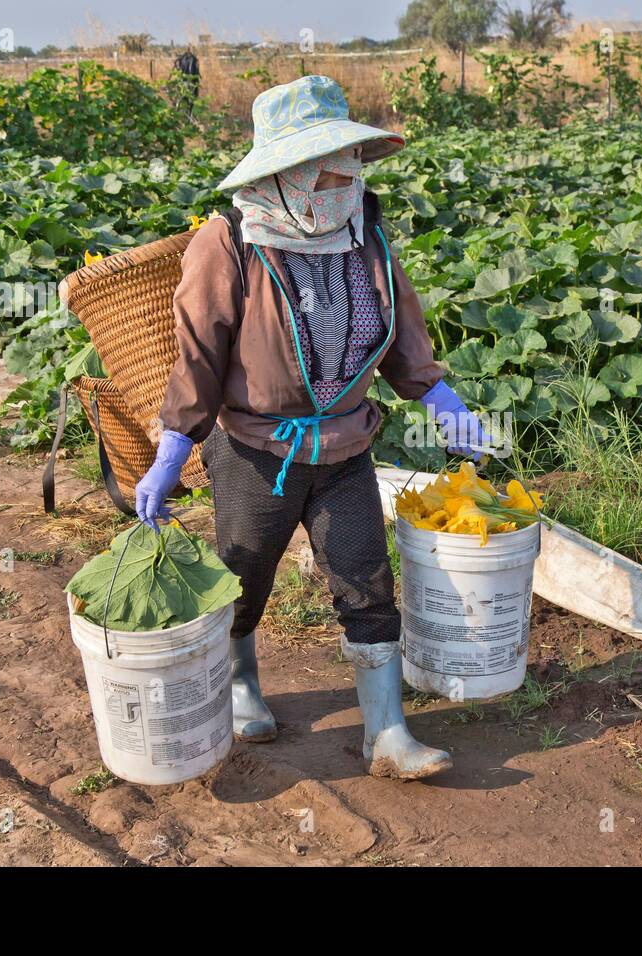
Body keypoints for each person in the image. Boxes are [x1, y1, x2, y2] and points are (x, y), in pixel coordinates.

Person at [136, 75, 489, 781]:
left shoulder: (366, 236)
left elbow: (400, 333)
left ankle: (386, 733)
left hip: (346, 444)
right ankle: (240, 685)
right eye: (322, 169)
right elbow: (200, 354)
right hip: (254, 451)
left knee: (365, 579)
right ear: (282, 172)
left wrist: (441, 397)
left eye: (346, 166)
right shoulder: (229, 242)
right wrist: (174, 445)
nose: (339, 182)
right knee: (242, 578)